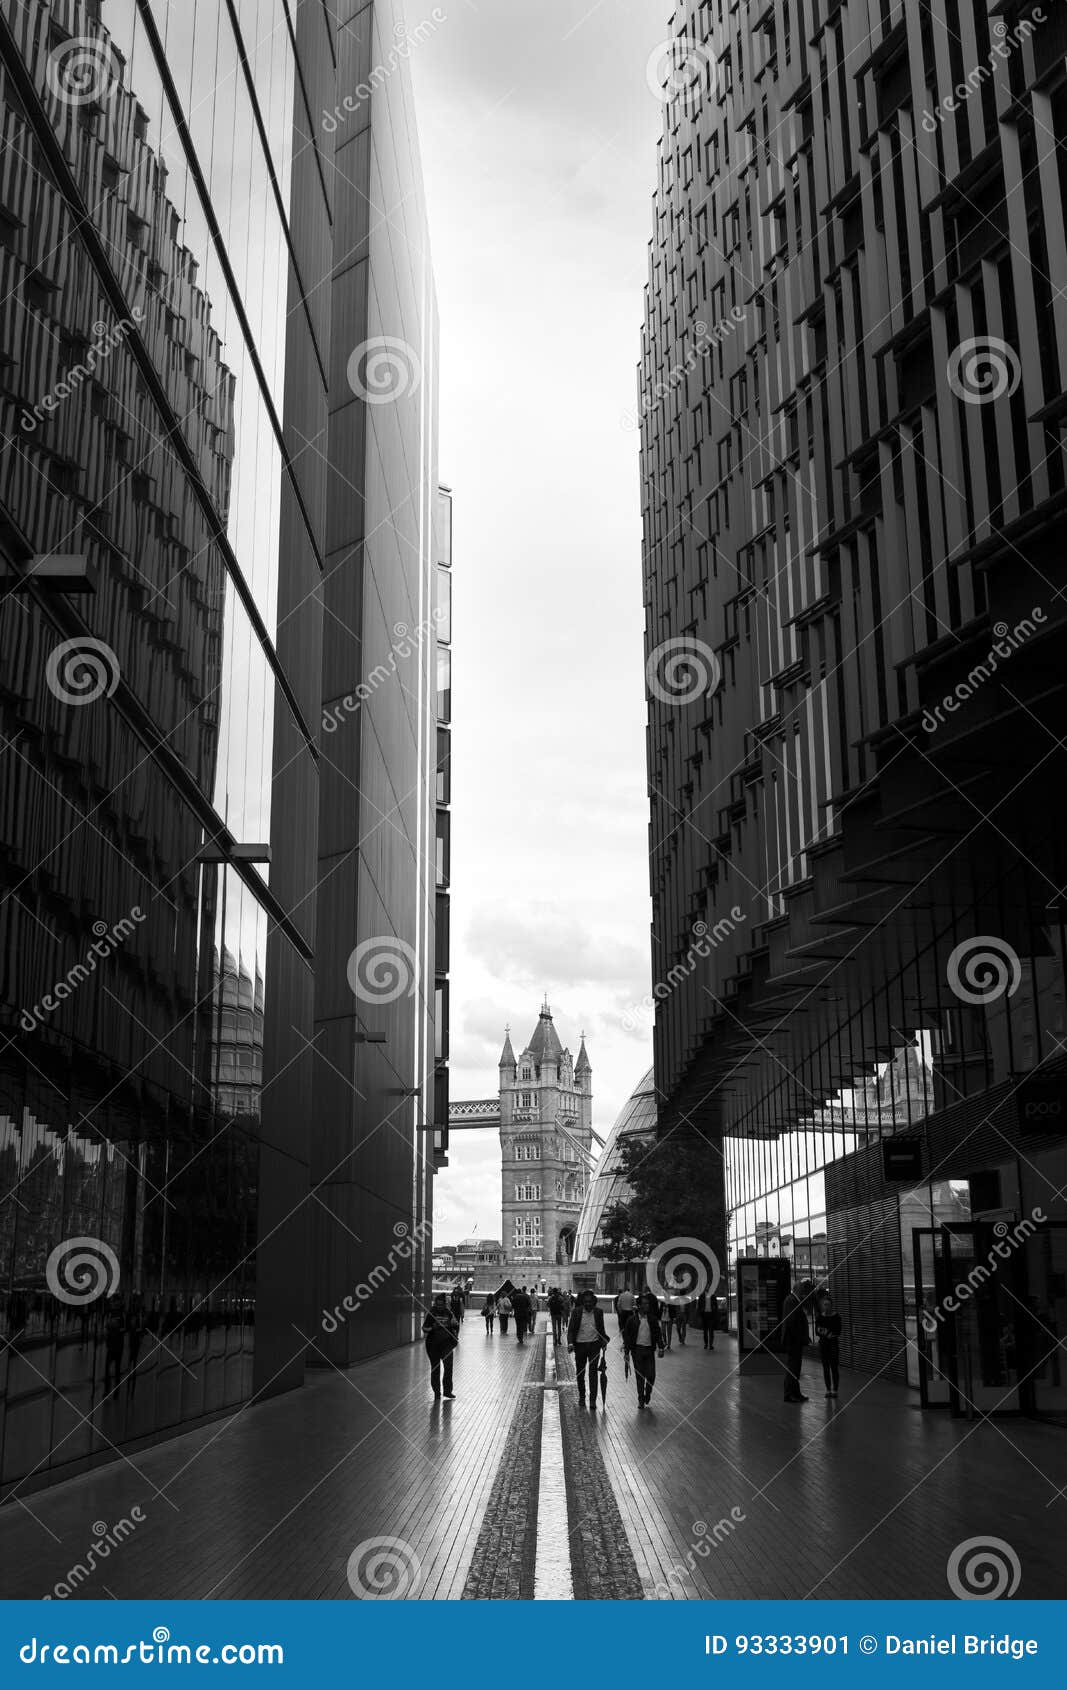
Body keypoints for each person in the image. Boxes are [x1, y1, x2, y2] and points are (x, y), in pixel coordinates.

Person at [567, 1290, 608, 1408]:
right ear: (583, 1302)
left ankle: (593, 1400)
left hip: (594, 1345)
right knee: (580, 1373)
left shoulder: (599, 1312)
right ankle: (582, 1396)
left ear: (593, 1302)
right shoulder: (576, 1312)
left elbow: (601, 1330)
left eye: (590, 1302)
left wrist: (604, 1341)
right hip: (580, 1345)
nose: (588, 1304)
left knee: (593, 1372)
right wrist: (570, 1343)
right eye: (586, 1302)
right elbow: (571, 1330)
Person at [623, 1290, 664, 1407]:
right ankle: (641, 1399)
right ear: (639, 1305)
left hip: (649, 1351)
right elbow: (627, 1337)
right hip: (637, 1351)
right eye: (644, 1304)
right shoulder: (632, 1320)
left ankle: (648, 1392)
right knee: (640, 1376)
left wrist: (660, 1347)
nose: (647, 1306)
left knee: (651, 1375)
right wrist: (627, 1352)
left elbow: (657, 1333)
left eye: (648, 1304)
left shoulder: (652, 1319)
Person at [781, 1279, 813, 1403]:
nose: (803, 1292)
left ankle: (795, 1392)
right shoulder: (791, 1301)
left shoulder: (793, 1300)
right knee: (793, 1367)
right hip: (793, 1341)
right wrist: (801, 1338)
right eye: (802, 1290)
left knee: (795, 1367)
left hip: (794, 1340)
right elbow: (793, 1322)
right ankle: (790, 1394)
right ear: (797, 1289)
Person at [422, 1293, 459, 1398]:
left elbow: (455, 1324)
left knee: (448, 1367)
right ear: (435, 1304)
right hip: (433, 1345)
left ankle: (447, 1391)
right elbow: (424, 1328)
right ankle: (437, 1392)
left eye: (441, 1305)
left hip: (447, 1344)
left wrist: (454, 1324)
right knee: (435, 1369)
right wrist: (433, 1327)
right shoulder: (431, 1313)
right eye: (437, 1305)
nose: (439, 1307)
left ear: (445, 1304)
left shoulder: (449, 1313)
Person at [813, 1288, 841, 1397]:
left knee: (834, 1367)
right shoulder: (820, 1317)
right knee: (825, 1367)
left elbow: (838, 1331)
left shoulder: (836, 1317)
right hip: (824, 1345)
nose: (826, 1306)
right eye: (825, 1304)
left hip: (833, 1345)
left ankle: (835, 1390)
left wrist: (824, 1331)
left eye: (828, 1304)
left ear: (831, 1305)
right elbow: (817, 1330)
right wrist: (827, 1333)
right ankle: (828, 1389)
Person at [103, 1298, 125, 1391]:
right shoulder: (110, 1314)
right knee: (107, 1367)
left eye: (115, 1303)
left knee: (117, 1369)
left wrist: (116, 1328)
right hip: (111, 1345)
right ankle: (107, 1389)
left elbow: (124, 1328)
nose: (113, 1304)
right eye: (113, 1303)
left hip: (118, 1345)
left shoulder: (121, 1315)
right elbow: (107, 1326)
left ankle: (116, 1388)